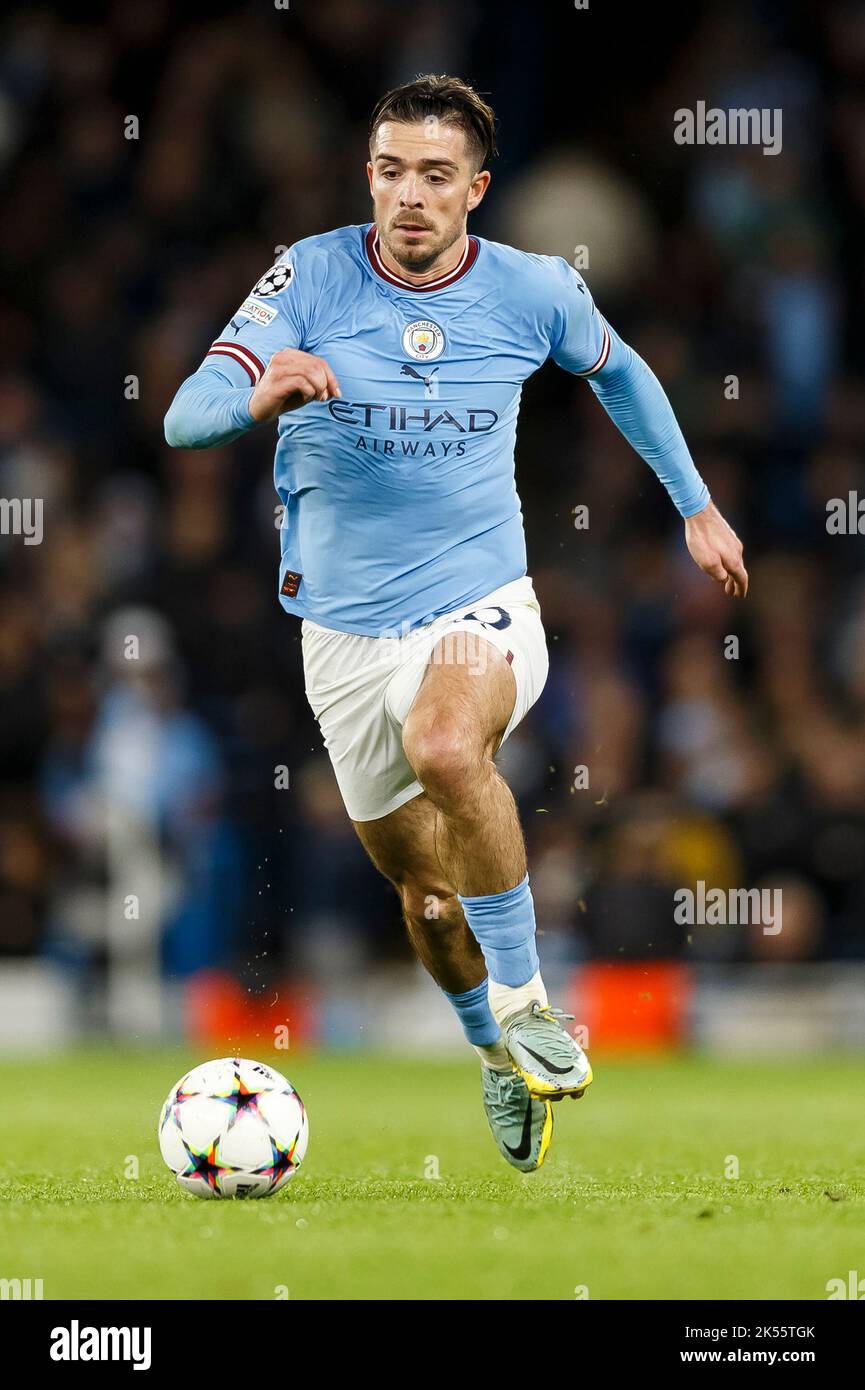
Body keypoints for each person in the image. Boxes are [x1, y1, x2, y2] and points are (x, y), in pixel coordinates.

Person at [165, 73, 748, 1172]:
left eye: (436, 175)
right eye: (391, 171)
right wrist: (258, 393)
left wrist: (696, 507)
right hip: (341, 633)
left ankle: (530, 1002)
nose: (410, 196)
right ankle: (492, 1051)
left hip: (477, 599)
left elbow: (620, 375)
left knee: (446, 741)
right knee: (428, 899)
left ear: (475, 189)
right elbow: (182, 414)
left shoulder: (533, 290)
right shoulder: (310, 274)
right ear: (369, 178)